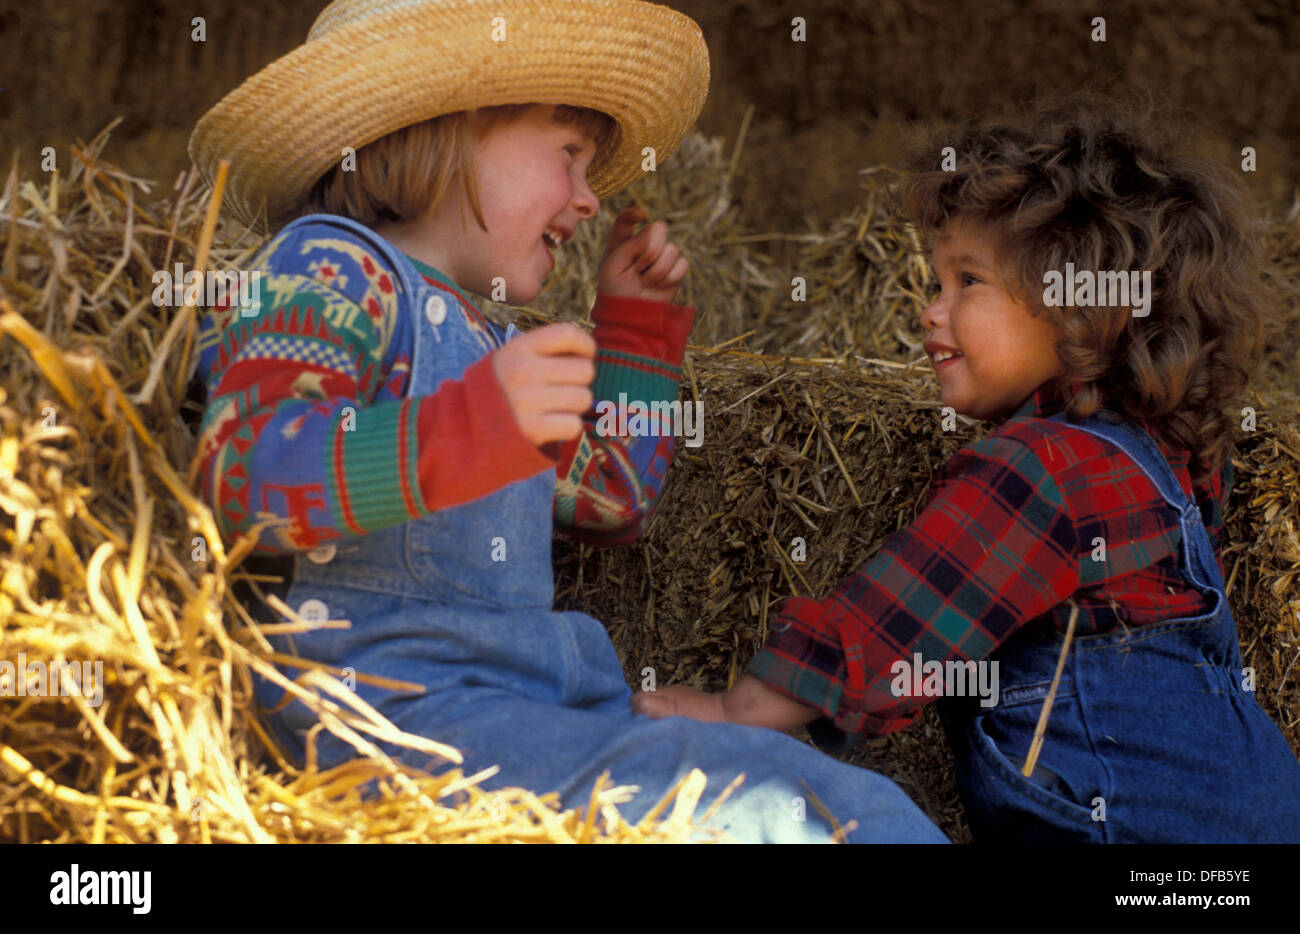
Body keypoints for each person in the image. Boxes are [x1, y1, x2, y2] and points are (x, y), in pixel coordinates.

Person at [189, 0, 946, 843]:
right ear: (451, 130)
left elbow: (613, 498)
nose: (589, 201)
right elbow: (242, 474)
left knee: (841, 796)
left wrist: (634, 334)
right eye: (572, 157)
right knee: (771, 810)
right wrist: (466, 427)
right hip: (391, 725)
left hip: (527, 717)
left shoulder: (486, 340)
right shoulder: (328, 267)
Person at [636, 99, 1300, 843]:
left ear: (1083, 308)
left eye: (967, 282)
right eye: (934, 282)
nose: (929, 310)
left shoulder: (1048, 468)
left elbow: (890, 631)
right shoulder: (1162, 459)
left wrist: (732, 715)